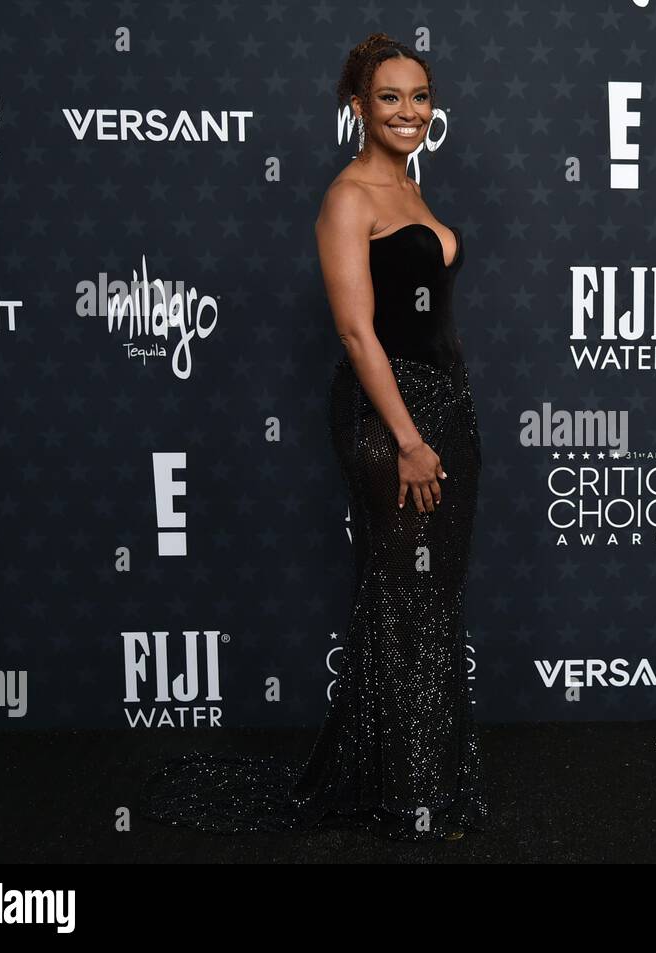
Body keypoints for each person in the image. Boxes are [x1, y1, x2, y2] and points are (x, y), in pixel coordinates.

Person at [138, 32, 487, 843]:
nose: (408, 112)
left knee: (428, 599)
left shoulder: (412, 188)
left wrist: (450, 415)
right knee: (404, 599)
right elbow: (359, 335)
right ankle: (408, 795)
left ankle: (399, 773)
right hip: (387, 416)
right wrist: (406, 437)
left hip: (446, 411)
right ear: (357, 106)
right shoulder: (349, 198)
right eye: (390, 98)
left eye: (421, 97)